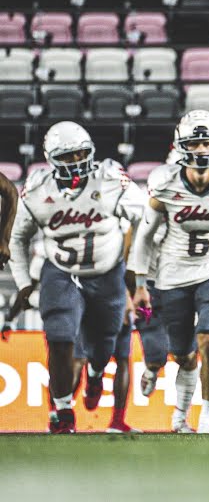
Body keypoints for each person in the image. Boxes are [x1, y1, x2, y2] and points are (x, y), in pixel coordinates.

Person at [6, 122, 146, 432]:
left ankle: (96, 375)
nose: (76, 162)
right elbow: (17, 238)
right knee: (59, 338)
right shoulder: (38, 188)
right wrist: (25, 283)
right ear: (51, 159)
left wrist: (135, 268)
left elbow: (143, 219)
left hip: (107, 271)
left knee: (102, 349)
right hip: (61, 270)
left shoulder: (110, 177)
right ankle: (63, 412)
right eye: (67, 157)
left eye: (81, 154)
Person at [129, 111, 209, 433]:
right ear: (182, 147)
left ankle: (207, 417)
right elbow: (145, 235)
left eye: (207, 142)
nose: (201, 150)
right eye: (195, 143)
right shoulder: (164, 183)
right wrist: (140, 284)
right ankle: (180, 415)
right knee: (183, 354)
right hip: (172, 274)